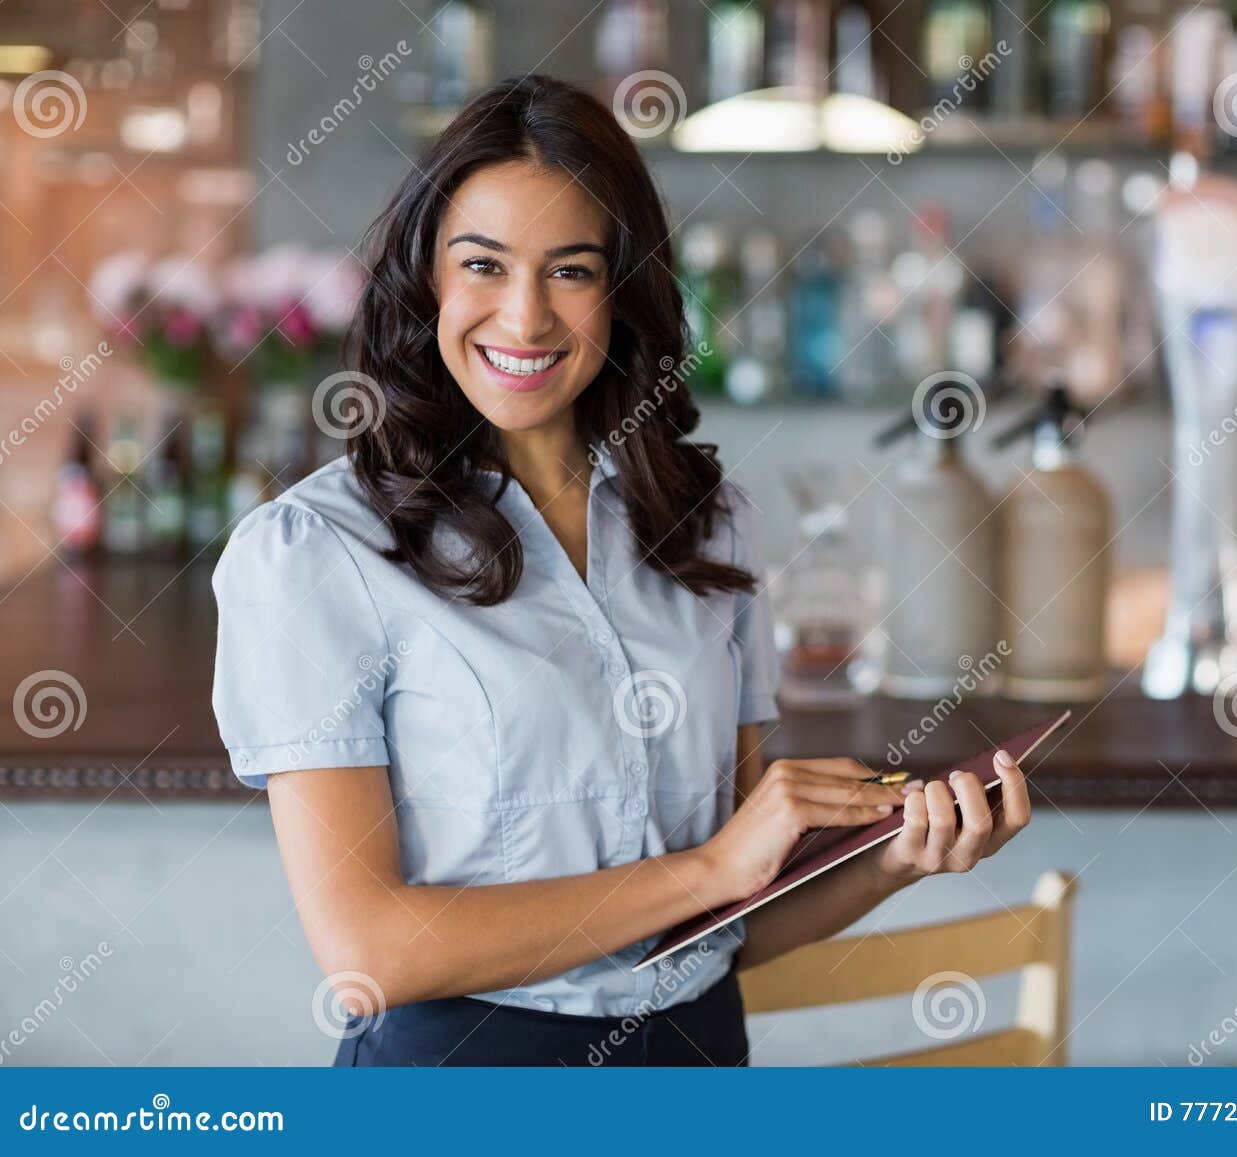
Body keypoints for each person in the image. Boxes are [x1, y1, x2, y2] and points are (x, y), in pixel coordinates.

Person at [210, 74, 1032, 1067]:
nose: (524, 317)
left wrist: (893, 860)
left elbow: (728, 919)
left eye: (570, 270)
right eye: (483, 265)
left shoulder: (707, 522)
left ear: (622, 289)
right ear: (425, 278)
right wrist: (712, 865)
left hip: (692, 1053)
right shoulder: (317, 550)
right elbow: (368, 948)